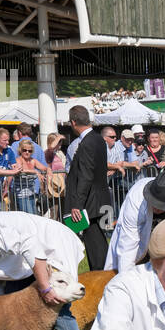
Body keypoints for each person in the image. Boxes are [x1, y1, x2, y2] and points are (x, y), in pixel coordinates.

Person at [105, 170, 165, 271]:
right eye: (154, 202)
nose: (156, 208)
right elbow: (128, 244)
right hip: (138, 244)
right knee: (121, 273)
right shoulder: (136, 198)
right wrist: (126, 279)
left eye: (161, 205)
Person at [64, 104, 109, 270]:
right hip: (96, 198)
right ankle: (102, 271)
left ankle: (100, 275)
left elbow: (86, 175)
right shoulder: (98, 139)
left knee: (94, 243)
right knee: (97, 240)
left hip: (90, 201)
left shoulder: (87, 142)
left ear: (74, 123)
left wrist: (77, 204)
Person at [6, 138, 48, 215]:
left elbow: (45, 168)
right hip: (22, 195)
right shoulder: (18, 160)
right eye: (24, 150)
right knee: (30, 217)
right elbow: (20, 170)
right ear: (20, 150)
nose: (27, 152)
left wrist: (50, 172)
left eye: (30, 151)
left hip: (31, 194)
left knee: (34, 216)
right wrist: (35, 171)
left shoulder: (33, 160)